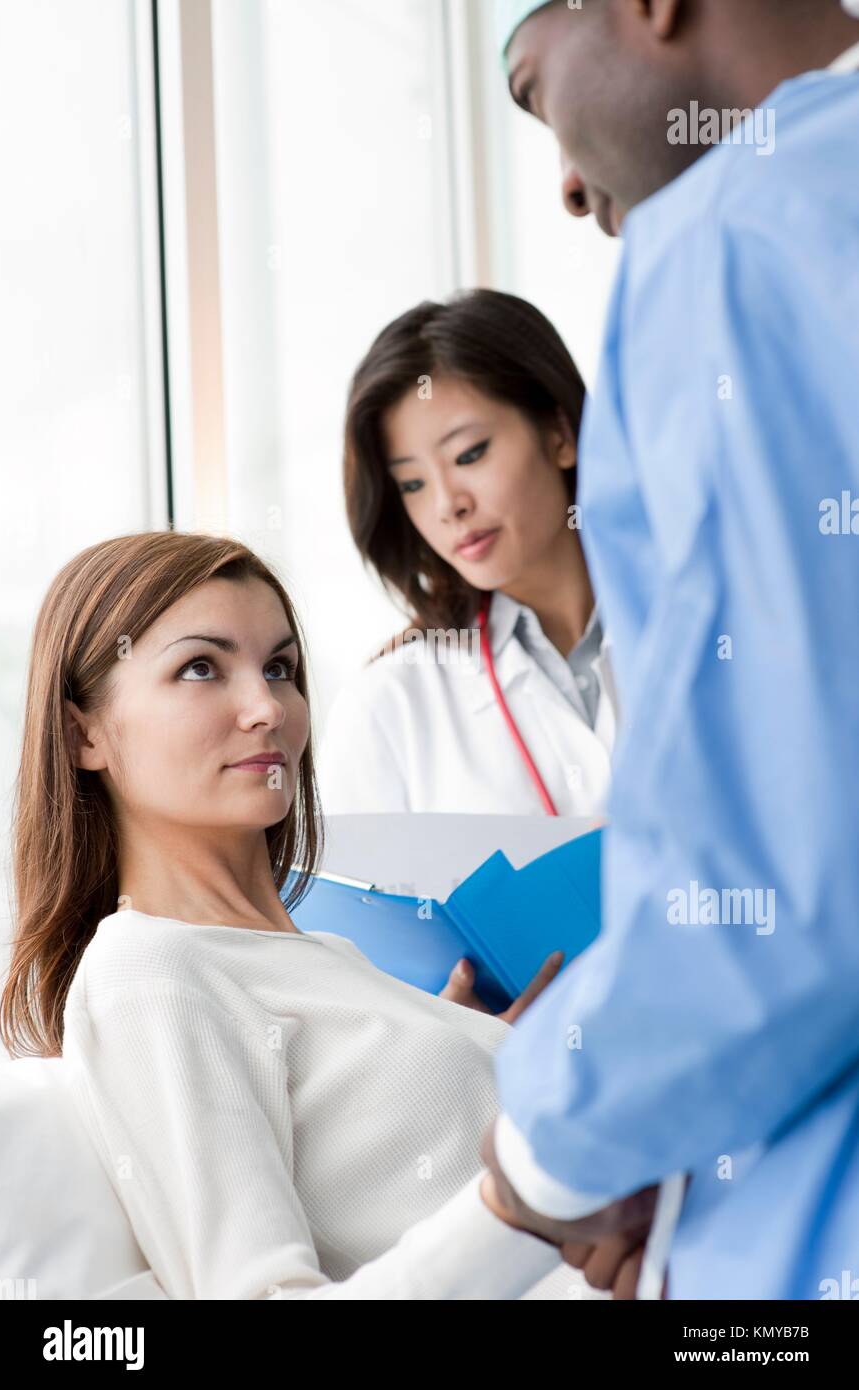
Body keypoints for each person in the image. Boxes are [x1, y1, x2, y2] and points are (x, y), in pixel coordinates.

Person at [478, 0, 859, 1299]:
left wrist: (545, 1149)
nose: (573, 187)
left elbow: (782, 887)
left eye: (538, 95)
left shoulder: (734, 232)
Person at [0, 529, 596, 1300]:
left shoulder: (331, 957)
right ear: (85, 732)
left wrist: (472, 1049)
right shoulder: (149, 970)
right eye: (201, 668)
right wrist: (518, 1204)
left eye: (280, 668)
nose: (268, 709)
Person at [317, 289, 617, 817]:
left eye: (469, 454)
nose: (447, 505)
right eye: (411, 484)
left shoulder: (714, 623)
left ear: (561, 434)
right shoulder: (390, 704)